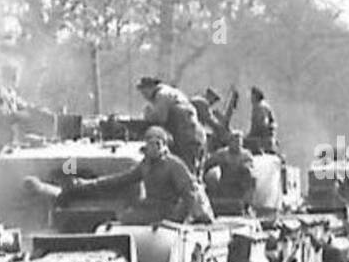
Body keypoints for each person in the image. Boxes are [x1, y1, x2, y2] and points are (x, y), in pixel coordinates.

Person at [58, 126, 212, 224]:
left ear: (164, 146)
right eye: (150, 143)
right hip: (149, 208)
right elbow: (121, 179)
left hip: (168, 211)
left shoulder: (173, 165)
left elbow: (189, 192)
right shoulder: (146, 165)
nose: (153, 147)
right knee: (120, 220)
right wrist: (87, 184)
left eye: (157, 144)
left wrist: (185, 218)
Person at [138, 75, 205, 177]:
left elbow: (160, 118)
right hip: (192, 135)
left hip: (186, 137)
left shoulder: (162, 95)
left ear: (151, 88)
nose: (144, 95)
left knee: (186, 172)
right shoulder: (171, 93)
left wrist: (148, 116)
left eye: (144, 91)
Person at [203, 129, 256, 215]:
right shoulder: (222, 154)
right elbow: (207, 164)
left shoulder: (246, 155)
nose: (237, 143)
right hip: (224, 185)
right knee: (211, 176)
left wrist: (245, 167)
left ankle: (246, 206)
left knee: (252, 178)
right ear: (229, 141)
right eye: (234, 140)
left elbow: (250, 168)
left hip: (240, 187)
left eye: (239, 141)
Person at [193, 85, 233, 153]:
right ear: (210, 96)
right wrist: (221, 127)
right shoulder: (202, 102)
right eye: (214, 100)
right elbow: (210, 121)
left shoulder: (197, 99)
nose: (213, 103)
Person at [246, 85, 278, 155]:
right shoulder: (261, 105)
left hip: (263, 139)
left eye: (252, 96)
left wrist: (250, 136)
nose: (250, 98)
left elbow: (262, 124)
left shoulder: (260, 107)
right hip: (264, 137)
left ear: (255, 96)